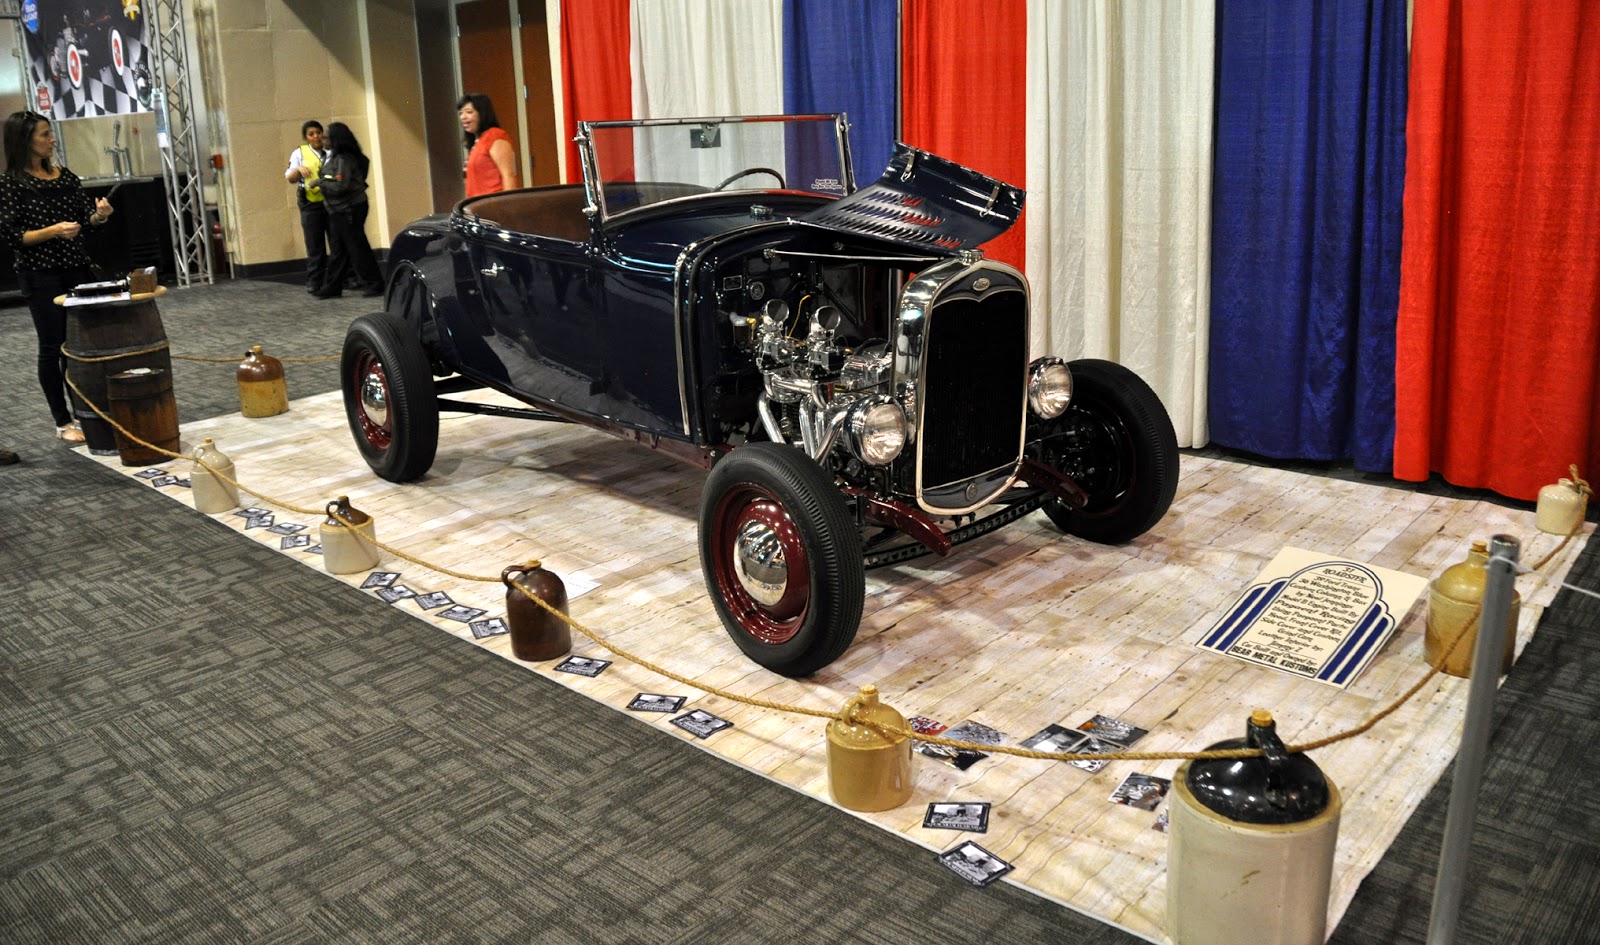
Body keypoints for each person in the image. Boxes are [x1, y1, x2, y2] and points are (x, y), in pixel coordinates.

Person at [0, 111, 114, 444]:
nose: (52, 139)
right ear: (25, 141)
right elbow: (13, 237)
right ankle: (62, 420)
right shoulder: (10, 183)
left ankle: (88, 411)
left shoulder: (65, 177)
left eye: (51, 133)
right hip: (40, 274)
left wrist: (99, 215)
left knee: (82, 346)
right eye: (44, 135)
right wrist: (53, 231)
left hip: (77, 268)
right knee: (53, 346)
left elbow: (86, 220)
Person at [311, 122, 383, 299]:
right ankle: (333, 286)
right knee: (339, 250)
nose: (322, 139)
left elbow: (341, 186)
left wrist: (319, 182)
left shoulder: (344, 159)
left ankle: (374, 284)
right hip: (339, 210)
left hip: (349, 209)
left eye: (326, 137)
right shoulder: (333, 156)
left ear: (335, 140)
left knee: (356, 247)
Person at [284, 119, 337, 294]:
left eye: (319, 132)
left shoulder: (331, 152)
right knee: (315, 244)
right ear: (306, 137)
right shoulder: (299, 153)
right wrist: (298, 170)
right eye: (311, 134)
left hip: (331, 201)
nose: (316, 136)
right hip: (309, 203)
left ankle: (339, 280)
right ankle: (315, 281)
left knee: (337, 242)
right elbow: (290, 178)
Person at [458, 93, 519, 197]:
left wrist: (509, 206)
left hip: (494, 205)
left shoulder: (495, 135)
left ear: (482, 113)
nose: (463, 117)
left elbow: (508, 175)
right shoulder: (477, 142)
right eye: (460, 113)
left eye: (469, 112)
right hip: (478, 207)